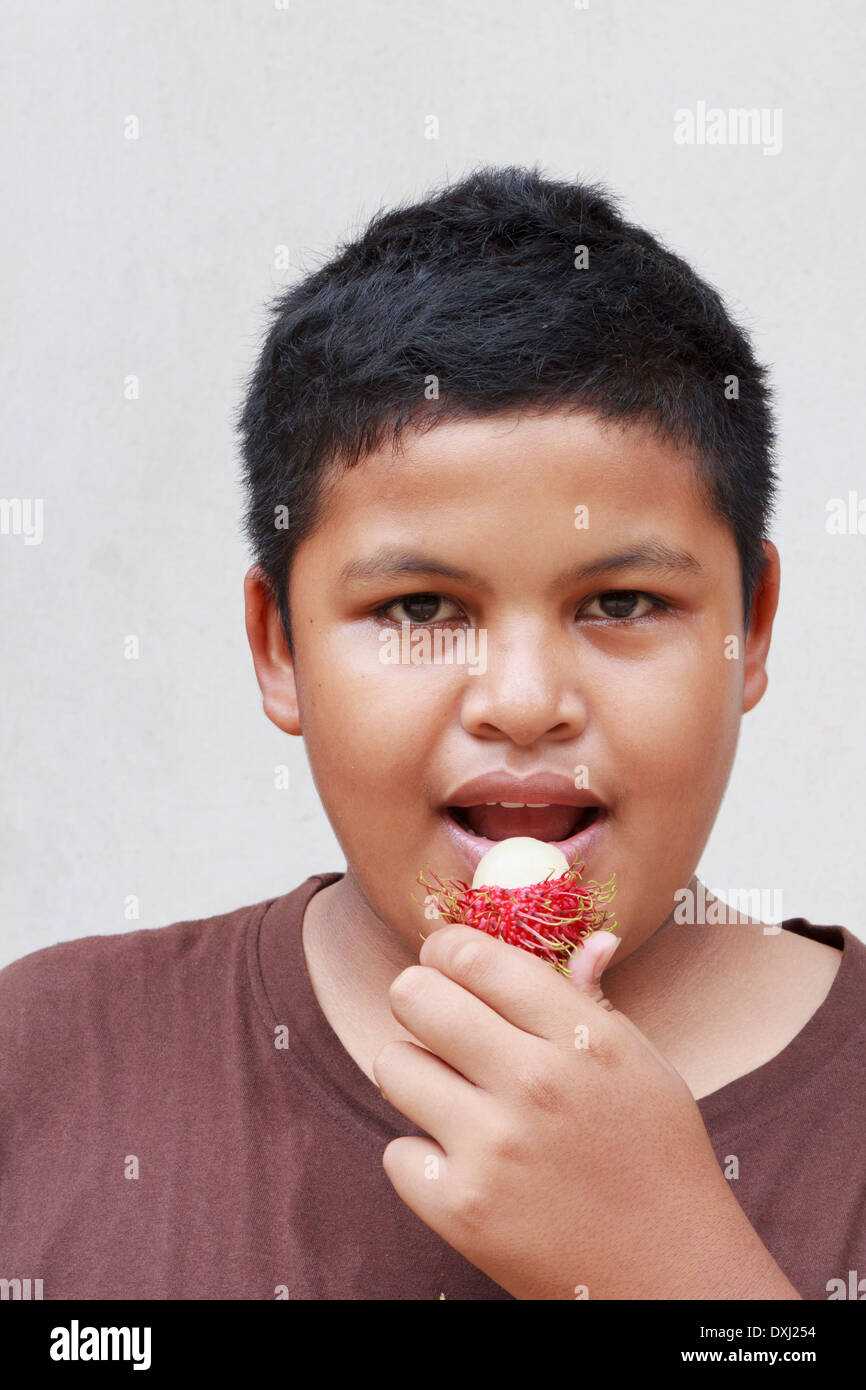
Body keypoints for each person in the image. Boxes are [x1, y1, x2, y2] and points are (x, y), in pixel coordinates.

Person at [2, 166, 862, 1300]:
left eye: (617, 603)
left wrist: (675, 1272)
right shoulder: (45, 1063)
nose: (518, 699)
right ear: (280, 647)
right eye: (418, 609)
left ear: (748, 629)